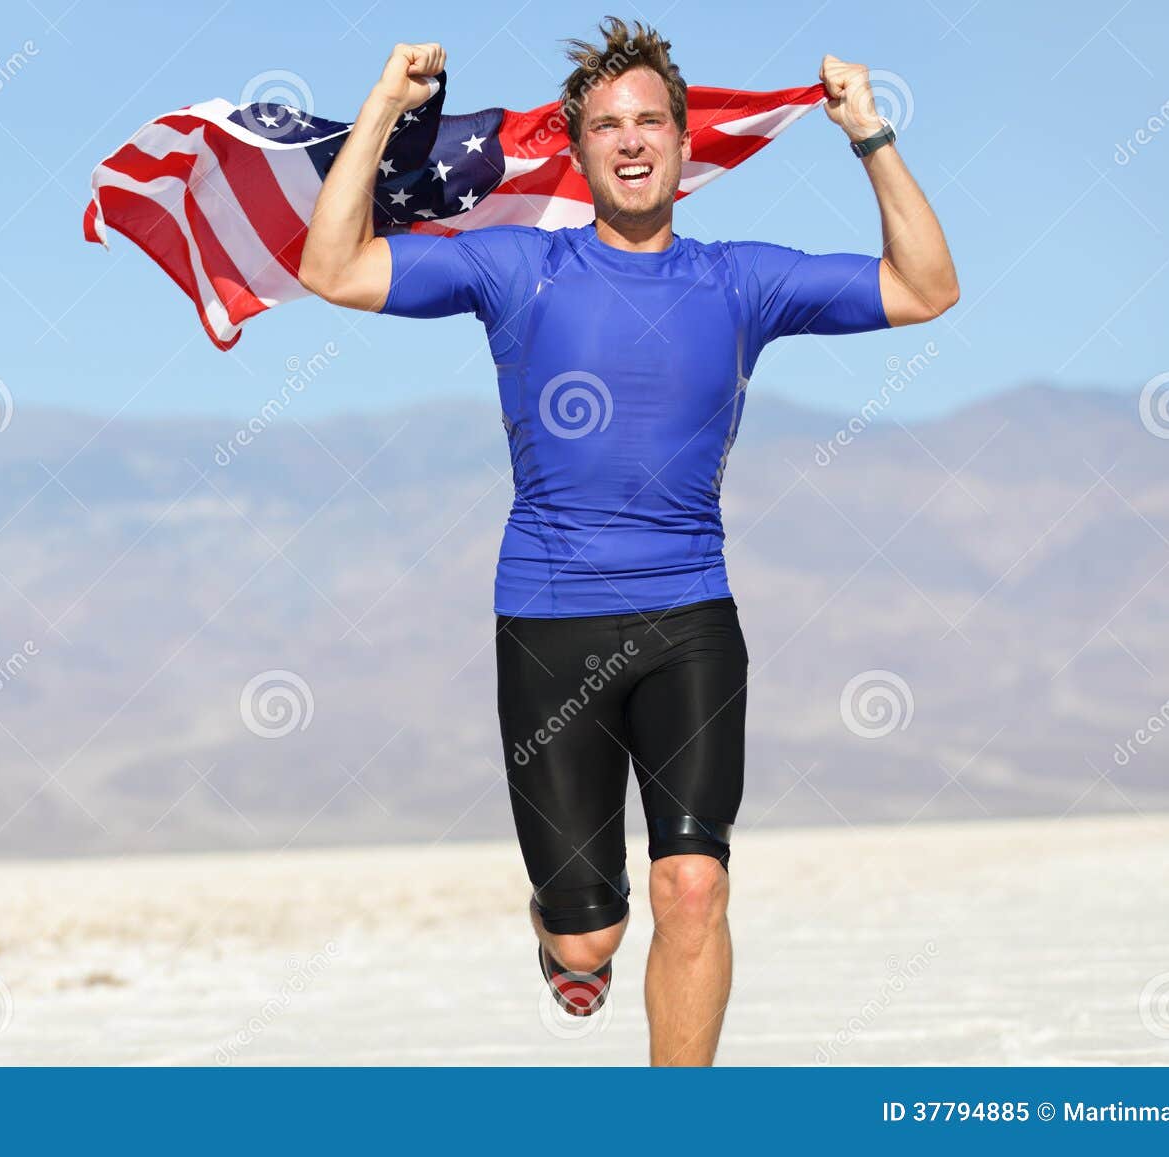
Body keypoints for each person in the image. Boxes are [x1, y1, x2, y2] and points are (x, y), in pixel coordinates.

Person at [297, 16, 958, 1066]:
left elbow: (926, 288)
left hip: (690, 614)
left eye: (651, 120)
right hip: (549, 621)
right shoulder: (517, 267)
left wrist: (868, 136)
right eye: (607, 124)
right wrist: (385, 107)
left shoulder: (743, 279)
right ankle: (569, 938)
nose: (632, 139)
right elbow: (330, 268)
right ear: (578, 148)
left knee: (692, 882)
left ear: (686, 143)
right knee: (590, 926)